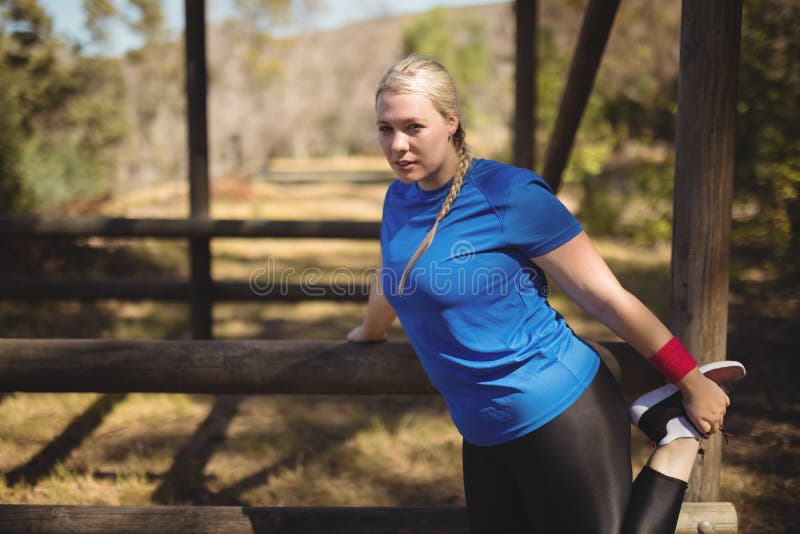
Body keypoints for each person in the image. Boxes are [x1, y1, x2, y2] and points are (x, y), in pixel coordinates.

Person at [347, 54, 744, 534]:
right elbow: (395, 272)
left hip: (558, 407)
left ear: (451, 122)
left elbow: (605, 298)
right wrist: (370, 331)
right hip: (481, 429)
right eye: (385, 129)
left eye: (414, 126)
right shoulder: (399, 197)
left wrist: (692, 381)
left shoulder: (508, 193)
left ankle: (677, 439)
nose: (398, 145)